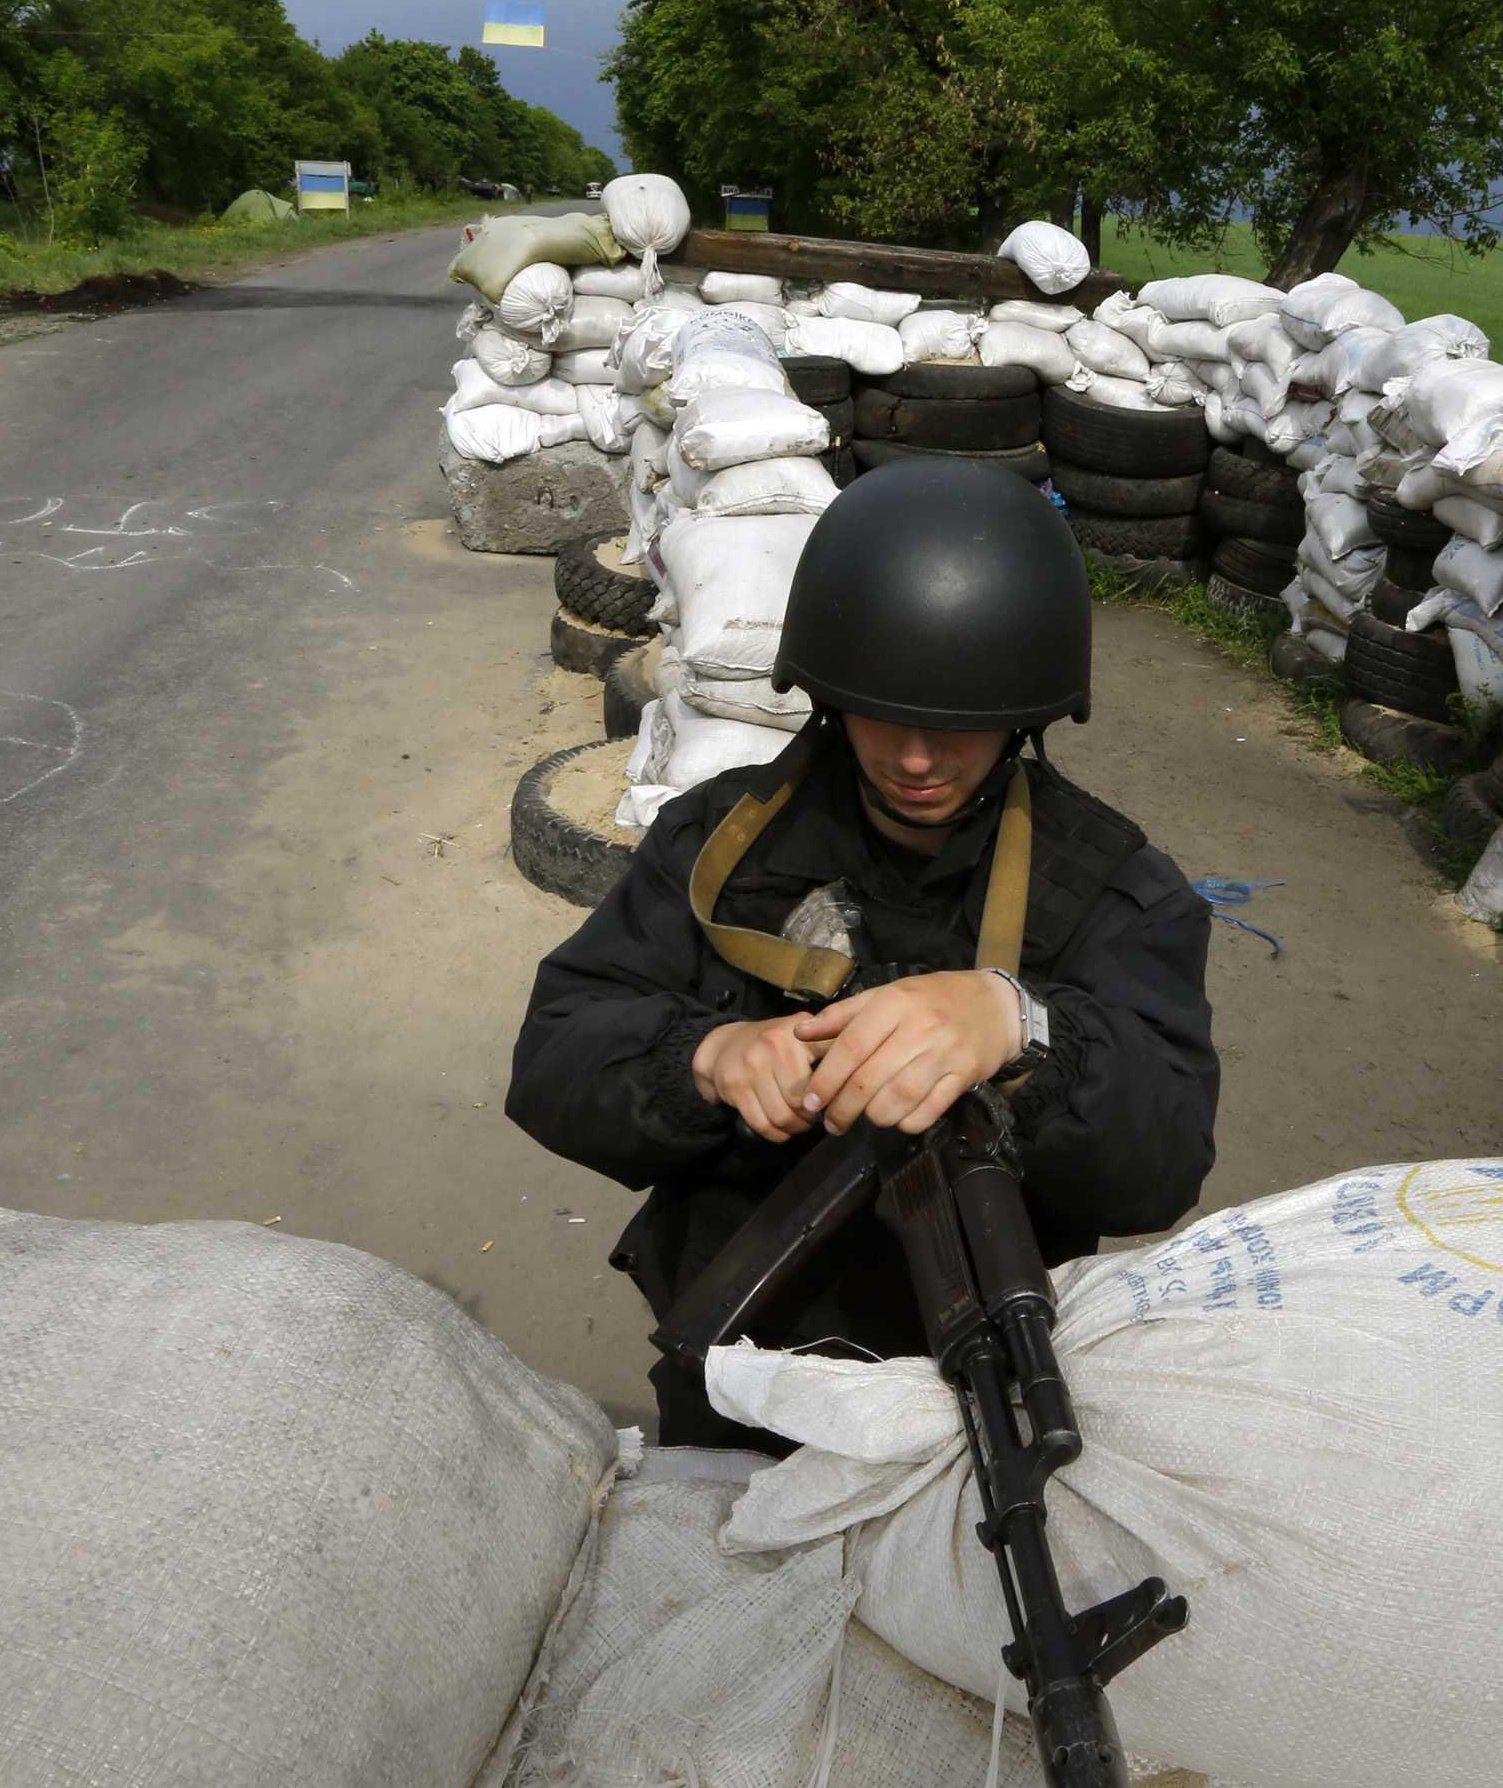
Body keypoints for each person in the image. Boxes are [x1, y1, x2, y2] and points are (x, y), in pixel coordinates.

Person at [508, 459, 1221, 1443]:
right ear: (830, 692)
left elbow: (1165, 1161)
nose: (917, 759)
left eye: (956, 723)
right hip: (741, 1364)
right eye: (886, 713)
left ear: (1025, 711)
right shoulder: (719, 847)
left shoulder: (1112, 890)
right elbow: (554, 1053)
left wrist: (1022, 1030)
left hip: (974, 1392)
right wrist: (706, 1059)